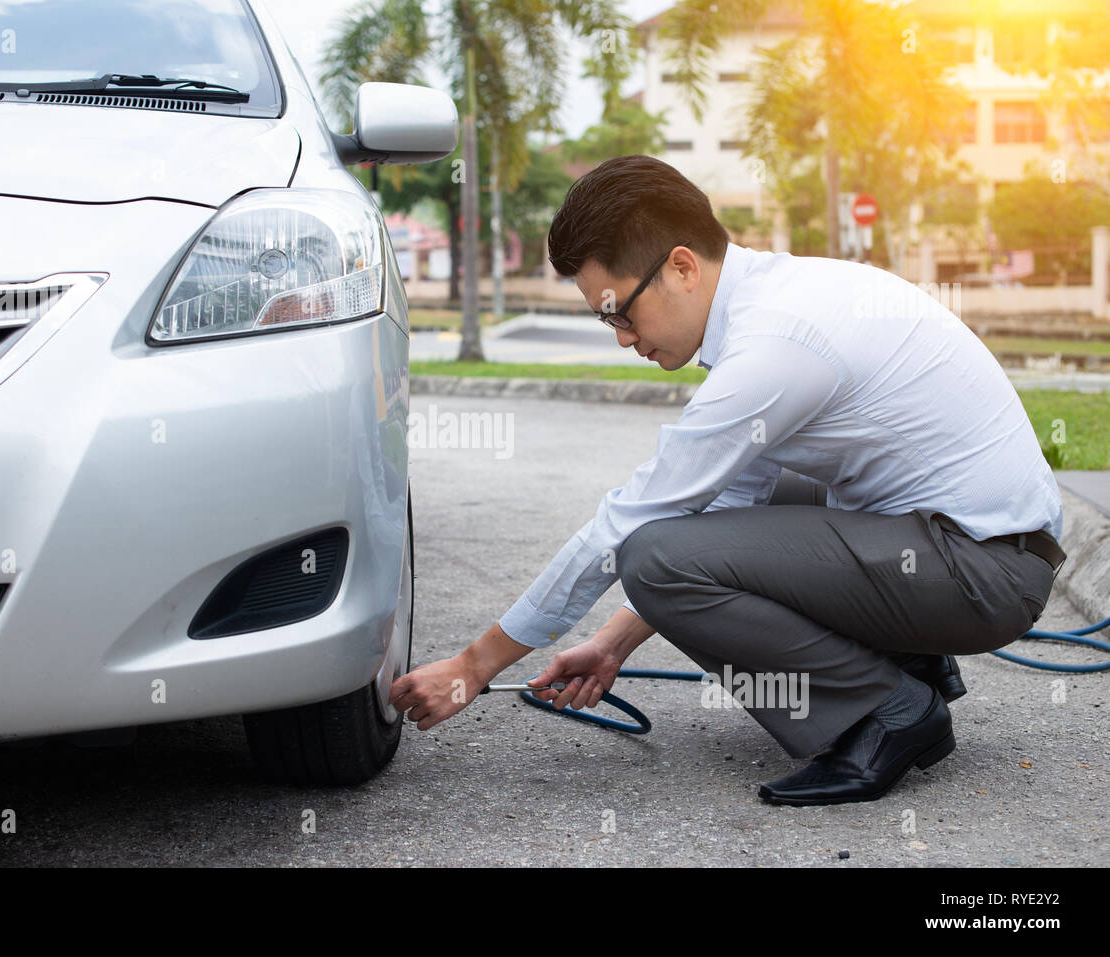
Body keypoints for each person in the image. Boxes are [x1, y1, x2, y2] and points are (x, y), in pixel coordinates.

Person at [387, 155, 1066, 806]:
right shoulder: (776, 302)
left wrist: (476, 665)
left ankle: (884, 711)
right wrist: (611, 643)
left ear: (681, 265)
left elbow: (631, 529)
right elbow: (731, 510)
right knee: (721, 521)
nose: (622, 337)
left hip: (981, 573)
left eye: (619, 310)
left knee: (649, 551)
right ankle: (908, 667)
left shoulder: (776, 342)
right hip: (975, 555)